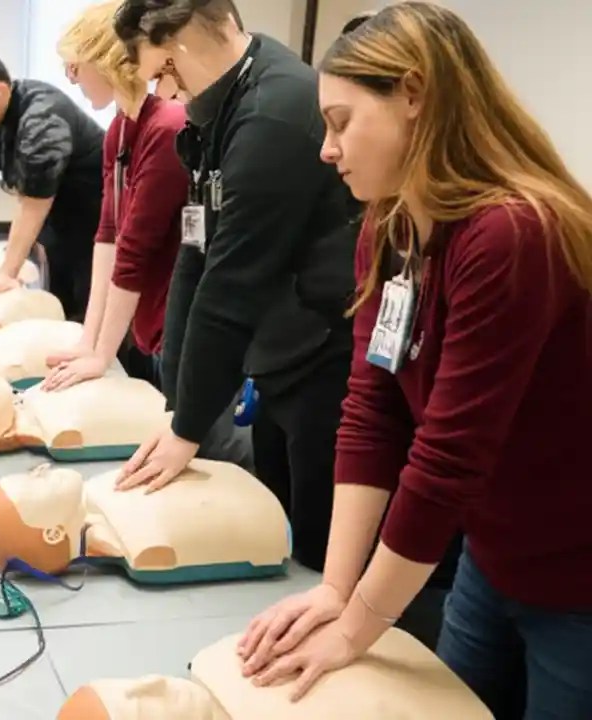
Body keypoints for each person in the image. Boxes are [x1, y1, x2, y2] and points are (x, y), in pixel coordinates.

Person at [234, 4, 592, 716]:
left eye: (340, 122)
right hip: (492, 559)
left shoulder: (513, 234)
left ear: (415, 95)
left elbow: (446, 458)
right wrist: (339, 591)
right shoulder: (391, 228)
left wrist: (360, 625)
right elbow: (373, 410)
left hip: (576, 579)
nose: (326, 150)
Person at [112, 0, 355, 575]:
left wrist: (188, 430)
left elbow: (230, 286)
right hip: (277, 352)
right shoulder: (219, 107)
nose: (165, 96)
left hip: (324, 357)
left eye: (163, 74)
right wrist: (177, 407)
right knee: (276, 530)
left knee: (314, 553)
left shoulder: (275, 113)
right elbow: (193, 258)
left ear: (184, 46)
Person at [41, 0, 189, 391]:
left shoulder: (168, 127)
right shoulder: (120, 130)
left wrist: (102, 355)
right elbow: (108, 235)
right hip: (144, 320)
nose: (73, 80)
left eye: (75, 67)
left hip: (175, 319)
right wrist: (88, 343)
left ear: (105, 59)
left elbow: (136, 249)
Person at [0, 48, 105, 320]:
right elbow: (22, 194)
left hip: (94, 222)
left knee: (87, 310)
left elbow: (33, 204)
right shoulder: (6, 118)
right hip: (60, 219)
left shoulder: (42, 119)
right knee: (58, 300)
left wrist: (7, 272)